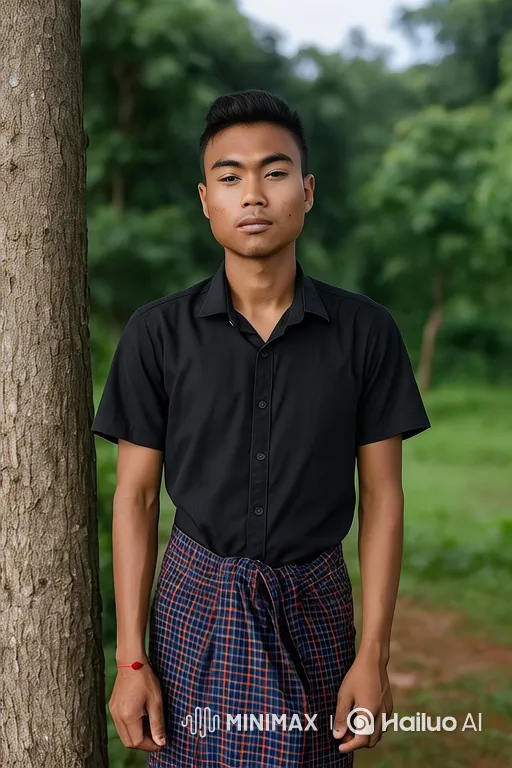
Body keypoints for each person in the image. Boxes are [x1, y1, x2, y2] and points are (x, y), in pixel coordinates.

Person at [91, 89, 431, 767]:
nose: (253, 194)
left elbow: (384, 498)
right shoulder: (158, 334)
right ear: (205, 198)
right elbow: (133, 498)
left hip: (315, 607)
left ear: (306, 191)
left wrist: (373, 655)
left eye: (274, 174)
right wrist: (131, 661)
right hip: (196, 606)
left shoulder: (366, 333)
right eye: (230, 176)